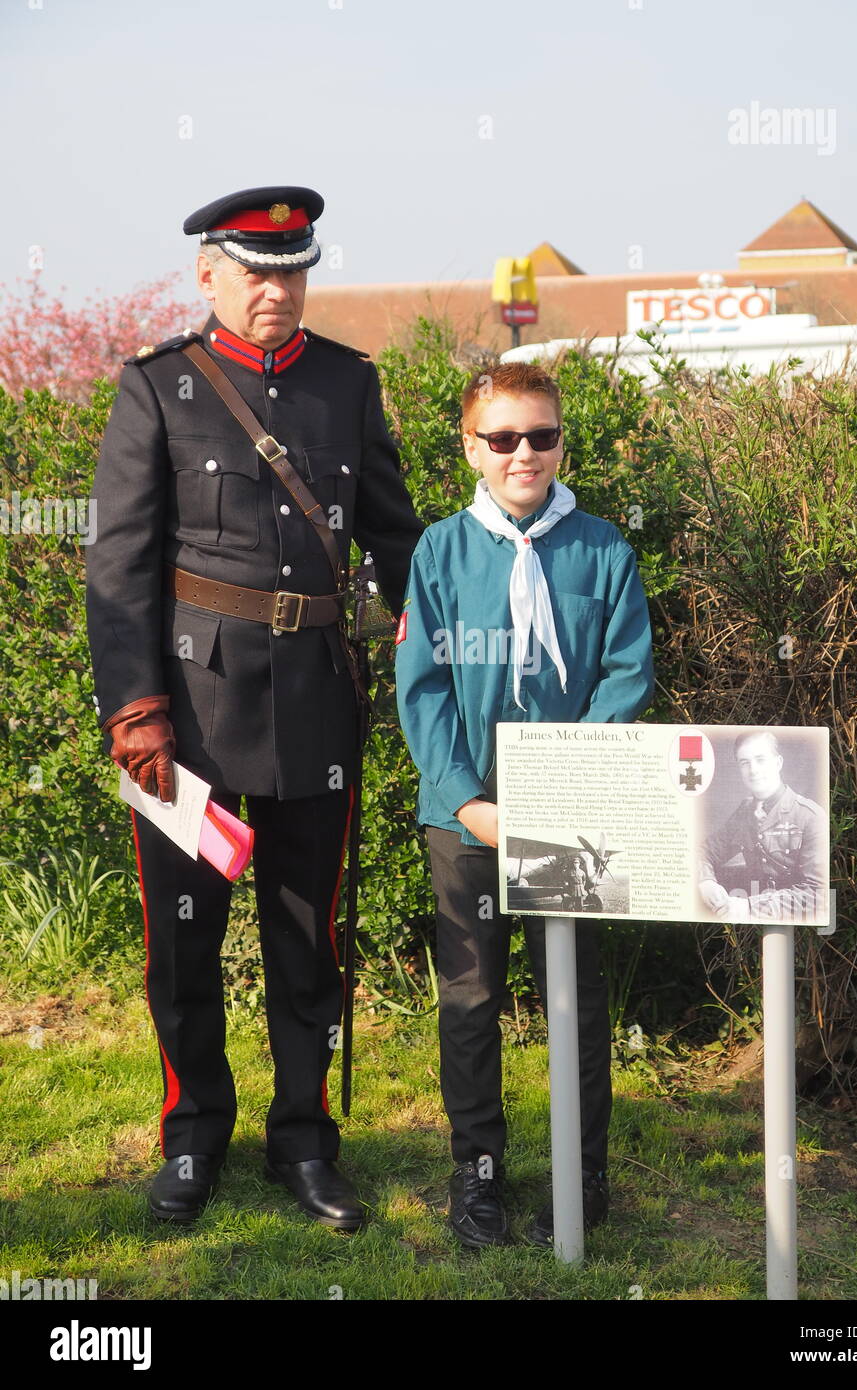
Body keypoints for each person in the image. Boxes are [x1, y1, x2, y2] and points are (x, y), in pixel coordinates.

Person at [85, 185, 423, 1230]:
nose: (276, 290)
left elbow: (398, 536)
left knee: (305, 943)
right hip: (190, 718)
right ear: (208, 274)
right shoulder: (159, 390)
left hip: (317, 710)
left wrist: (429, 625)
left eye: (292, 270)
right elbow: (122, 567)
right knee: (184, 946)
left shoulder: (347, 386)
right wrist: (136, 711)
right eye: (255, 271)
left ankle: (305, 1141)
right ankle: (192, 1137)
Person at [395, 361, 654, 1248]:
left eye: (540, 435)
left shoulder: (603, 549)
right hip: (464, 816)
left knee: (573, 1000)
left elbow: (626, 674)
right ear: (470, 446)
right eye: (501, 438)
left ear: (559, 442)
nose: (523, 454)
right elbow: (421, 689)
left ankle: (582, 1178)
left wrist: (566, 788)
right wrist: (469, 803)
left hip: (569, 815)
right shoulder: (439, 551)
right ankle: (477, 1180)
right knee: (469, 1001)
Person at [699, 729, 828, 922]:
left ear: (778, 763)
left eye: (760, 760)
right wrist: (706, 881)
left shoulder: (809, 816)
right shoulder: (745, 811)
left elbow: (818, 895)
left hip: (797, 925)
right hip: (755, 923)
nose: (753, 770)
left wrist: (749, 907)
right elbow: (705, 851)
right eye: (745, 763)